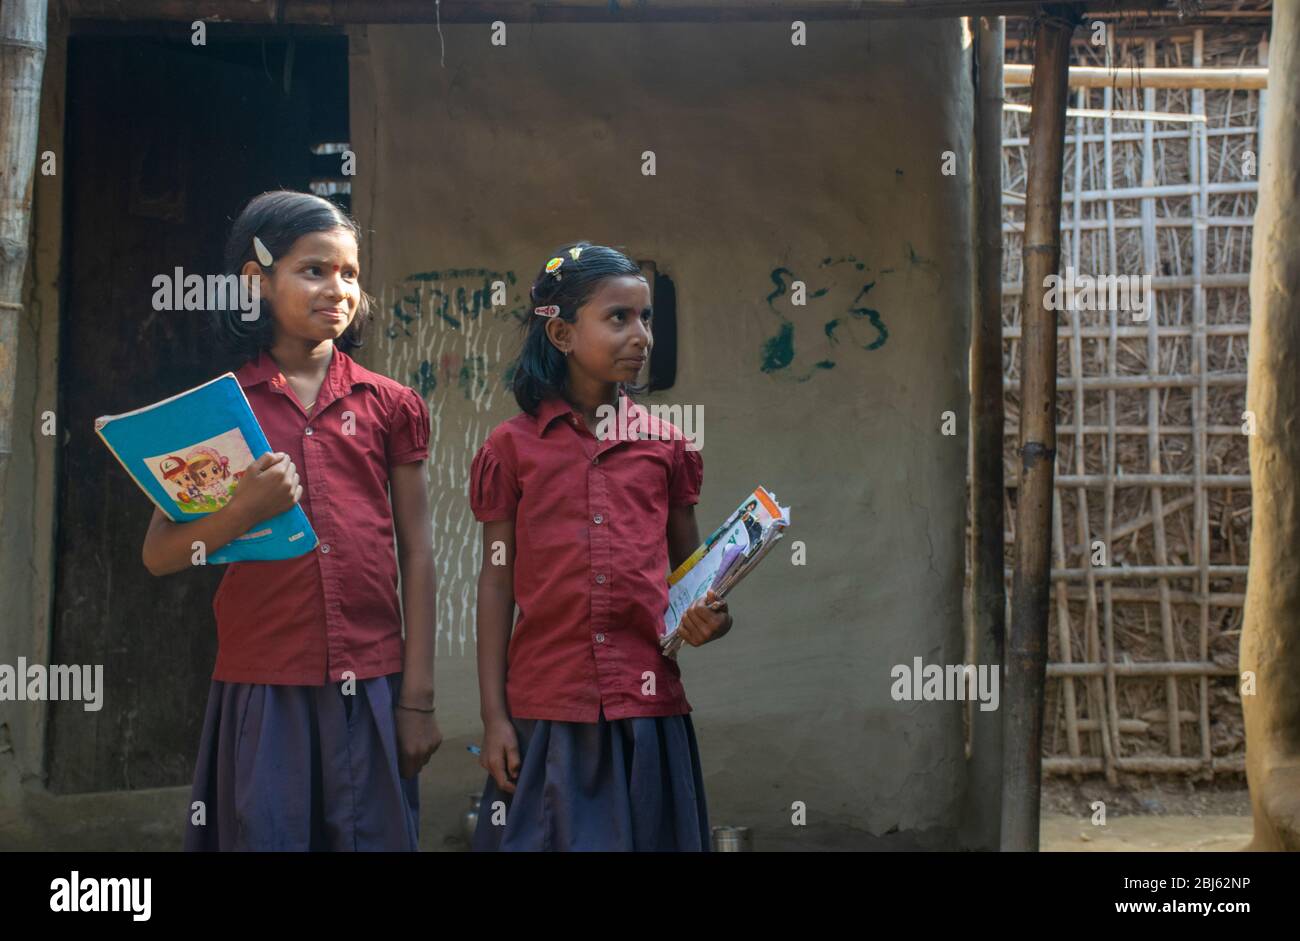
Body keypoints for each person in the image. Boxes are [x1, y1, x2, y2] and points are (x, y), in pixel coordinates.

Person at [141, 190, 442, 851]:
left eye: (350, 273)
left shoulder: (391, 405)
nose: (337, 288)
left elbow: (419, 551)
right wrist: (242, 509)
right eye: (313, 270)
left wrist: (416, 697)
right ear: (256, 281)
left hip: (371, 684)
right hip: (264, 683)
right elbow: (160, 553)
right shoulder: (218, 412)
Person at [469, 241, 732, 851]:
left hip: (647, 709)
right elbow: (496, 583)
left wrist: (709, 619)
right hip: (547, 710)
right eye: (619, 318)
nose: (641, 335)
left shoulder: (667, 447)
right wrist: (494, 717)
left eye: (646, 318)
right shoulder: (510, 451)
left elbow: (693, 582)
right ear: (561, 333)